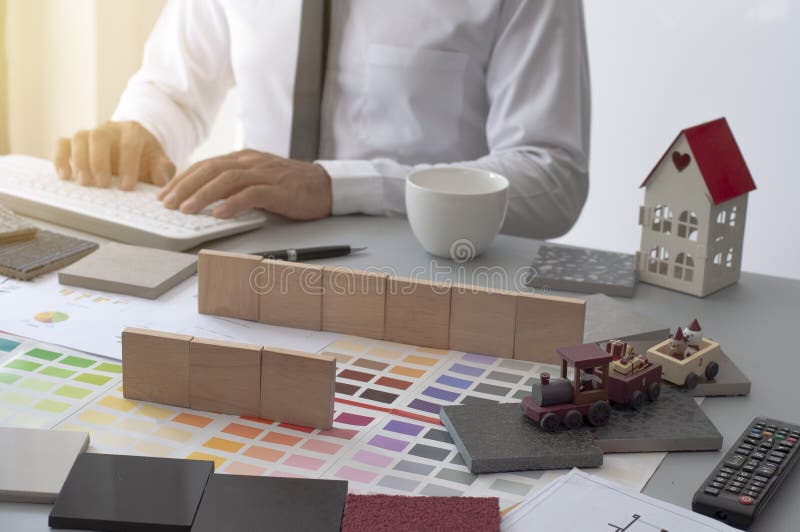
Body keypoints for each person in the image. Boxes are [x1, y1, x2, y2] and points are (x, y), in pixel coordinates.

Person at [53, 0, 590, 239]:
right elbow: (172, 89)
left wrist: (340, 186)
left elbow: (551, 177)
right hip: (242, 272)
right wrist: (141, 130)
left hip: (431, 291)